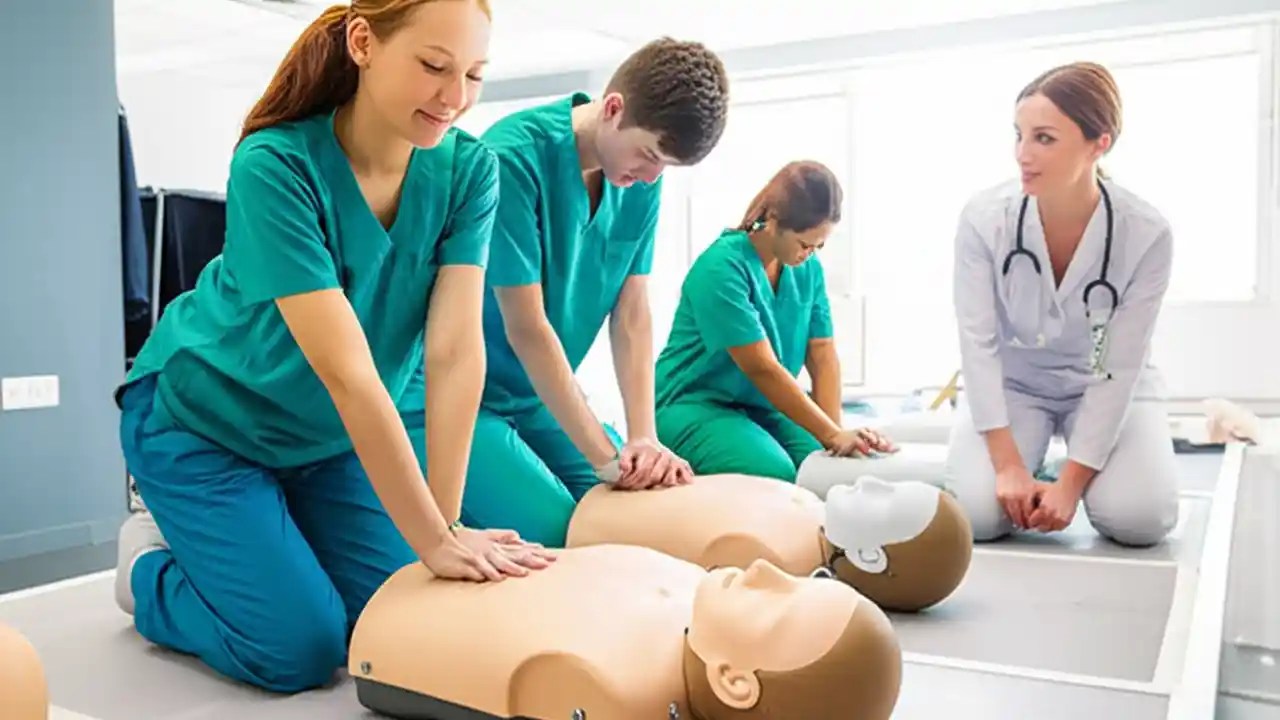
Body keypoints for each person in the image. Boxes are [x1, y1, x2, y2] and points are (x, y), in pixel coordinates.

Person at [112, 0, 551, 694]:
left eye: (473, 74)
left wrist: (447, 525)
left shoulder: (469, 172)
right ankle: (149, 569)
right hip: (206, 424)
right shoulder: (277, 164)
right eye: (434, 67)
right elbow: (349, 374)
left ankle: (265, 548)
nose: (455, 98)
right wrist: (431, 541)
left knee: (385, 623)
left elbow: (456, 353)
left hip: (321, 441)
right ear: (363, 43)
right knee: (300, 648)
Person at [450, 38, 731, 547]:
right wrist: (605, 457)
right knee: (568, 533)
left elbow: (632, 313)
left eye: (664, 165)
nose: (649, 176)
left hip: (536, 396)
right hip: (463, 399)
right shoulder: (510, 160)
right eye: (648, 155)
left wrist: (643, 436)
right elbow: (527, 328)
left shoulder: (641, 177)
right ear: (613, 108)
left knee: (642, 518)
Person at [946, 61, 1180, 547]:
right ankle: (1030, 460)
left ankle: (1068, 464)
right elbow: (978, 343)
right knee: (977, 515)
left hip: (1105, 384)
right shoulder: (985, 219)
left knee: (1140, 519)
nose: (1022, 155)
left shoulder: (1146, 234)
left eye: (1044, 138)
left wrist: (1071, 483)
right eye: (1019, 135)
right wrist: (1008, 465)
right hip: (1018, 385)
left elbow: (1117, 364)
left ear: (1100, 142)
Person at [652, 161, 895, 483]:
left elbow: (822, 354)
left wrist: (836, 436)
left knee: (823, 468)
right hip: (694, 404)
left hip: (762, 408)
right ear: (773, 221)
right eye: (805, 244)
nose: (810, 253)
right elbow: (760, 367)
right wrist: (833, 436)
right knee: (775, 473)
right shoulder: (721, 268)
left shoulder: (807, 268)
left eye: (819, 245)